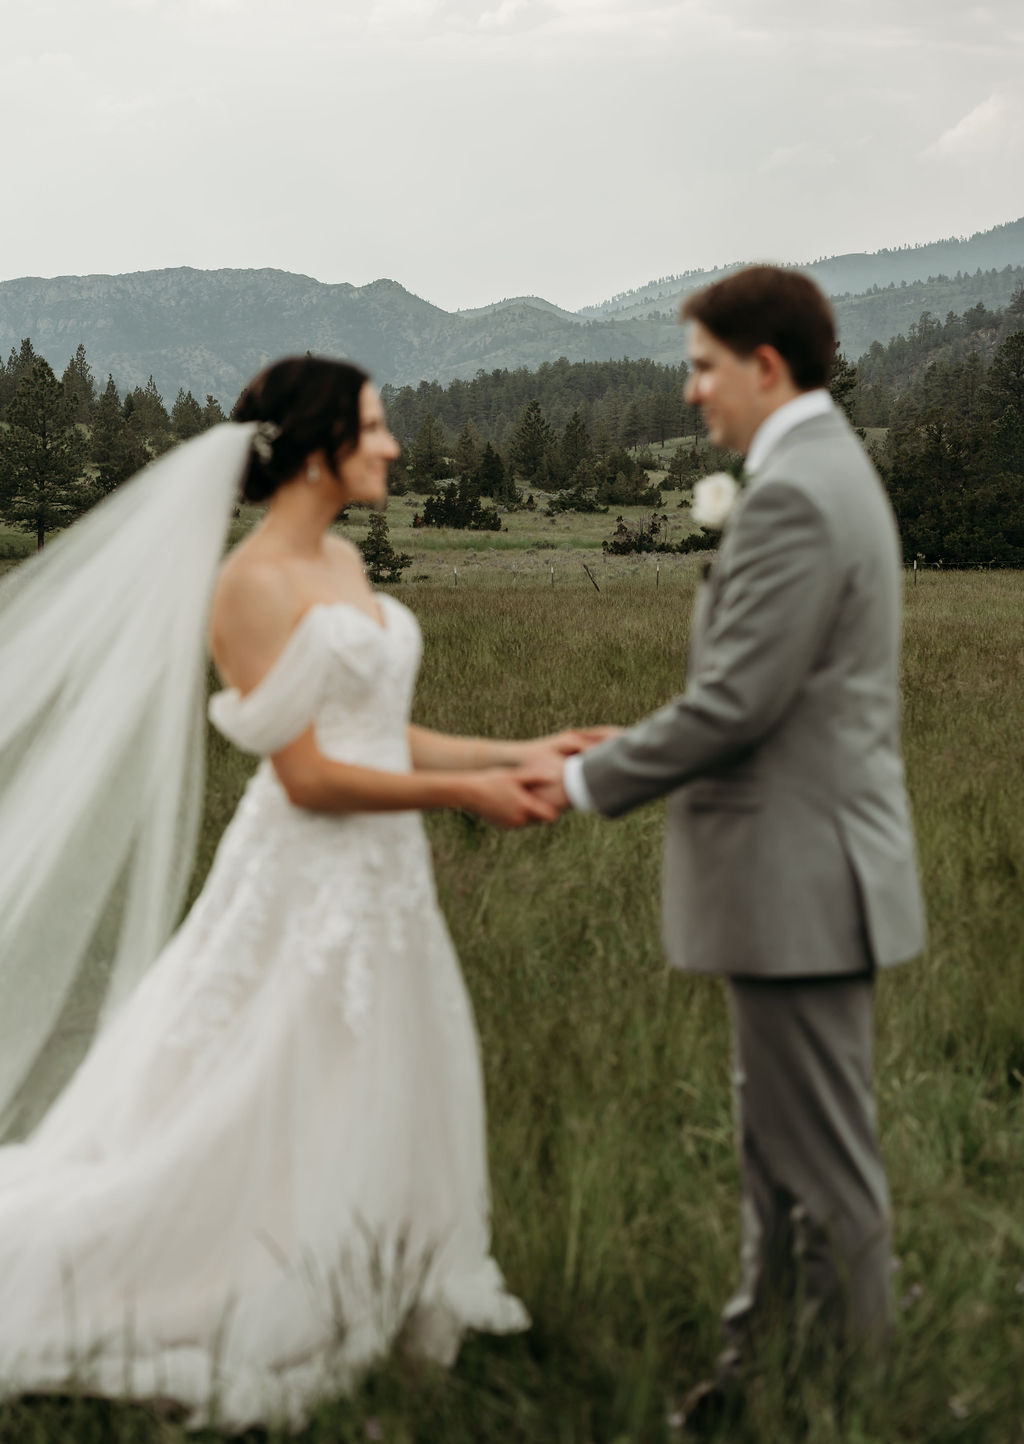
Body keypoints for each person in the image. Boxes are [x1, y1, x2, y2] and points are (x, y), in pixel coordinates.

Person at [0, 356, 608, 1429]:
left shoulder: (338, 561)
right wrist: (463, 794)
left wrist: (517, 749)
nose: (393, 446)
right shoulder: (247, 587)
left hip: (382, 875)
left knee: (362, 1066)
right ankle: (220, 1269)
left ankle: (366, 1263)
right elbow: (309, 773)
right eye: (375, 427)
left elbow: (373, 729)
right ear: (323, 443)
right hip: (303, 871)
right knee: (266, 1069)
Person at [529, 266, 926, 1426]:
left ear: (765, 364)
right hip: (798, 873)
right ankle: (757, 1382)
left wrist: (582, 778)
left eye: (702, 364)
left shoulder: (800, 491)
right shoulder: (816, 467)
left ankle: (850, 1398)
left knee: (823, 1172)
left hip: (797, 875)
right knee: (779, 1154)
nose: (689, 389)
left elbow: (739, 706)